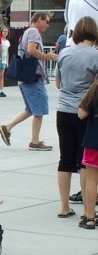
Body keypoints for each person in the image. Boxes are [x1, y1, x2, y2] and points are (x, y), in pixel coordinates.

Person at [55, 17, 98, 217]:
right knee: (84, 162)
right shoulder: (95, 56)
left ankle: (64, 207)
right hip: (84, 112)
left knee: (65, 159)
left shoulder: (64, 53)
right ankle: (87, 211)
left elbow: (58, 83)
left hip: (63, 110)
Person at [0, 11, 55, 151]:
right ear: (39, 19)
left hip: (25, 78)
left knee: (30, 109)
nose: (48, 25)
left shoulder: (27, 31)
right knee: (39, 111)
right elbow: (31, 50)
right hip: (33, 78)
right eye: (46, 22)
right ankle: (35, 142)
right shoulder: (34, 32)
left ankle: (7, 128)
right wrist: (48, 56)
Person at [77, 73, 98, 229]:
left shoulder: (94, 89)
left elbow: (81, 114)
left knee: (91, 179)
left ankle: (90, 217)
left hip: (94, 141)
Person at [0, 25, 10, 96]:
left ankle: (1, 90)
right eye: (4, 31)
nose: (5, 33)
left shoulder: (7, 42)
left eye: (6, 32)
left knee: (2, 76)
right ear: (1, 32)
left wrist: (7, 61)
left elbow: (7, 52)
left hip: (4, 60)